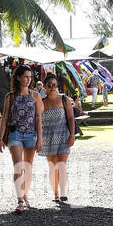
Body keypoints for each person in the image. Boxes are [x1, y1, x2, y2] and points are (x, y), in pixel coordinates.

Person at [0, 64, 42, 212]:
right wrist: (0, 137)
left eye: (30, 77)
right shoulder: (10, 96)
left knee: (28, 167)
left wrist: (40, 139)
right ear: (18, 78)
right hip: (15, 134)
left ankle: (26, 195)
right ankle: (19, 200)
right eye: (25, 77)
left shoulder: (35, 95)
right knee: (18, 167)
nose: (28, 80)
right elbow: (4, 118)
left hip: (31, 134)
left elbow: (38, 118)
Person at [39, 75, 75, 203]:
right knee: (52, 166)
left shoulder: (64, 99)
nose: (53, 87)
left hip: (63, 135)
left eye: (55, 85)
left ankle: (63, 192)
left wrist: (72, 135)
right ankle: (55, 194)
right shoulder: (41, 102)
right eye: (49, 85)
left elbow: (71, 118)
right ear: (44, 87)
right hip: (48, 137)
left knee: (62, 165)